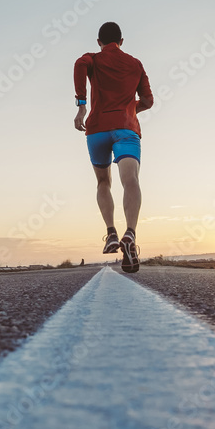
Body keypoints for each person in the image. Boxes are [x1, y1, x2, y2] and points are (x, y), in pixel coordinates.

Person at [74, 22, 154, 273]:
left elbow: (79, 64)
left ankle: (110, 232)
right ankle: (130, 233)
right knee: (130, 180)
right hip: (126, 128)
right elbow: (149, 101)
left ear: (99, 41)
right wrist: (130, 109)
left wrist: (82, 105)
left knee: (103, 183)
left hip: (97, 128)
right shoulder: (136, 64)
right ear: (122, 40)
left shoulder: (93, 58)